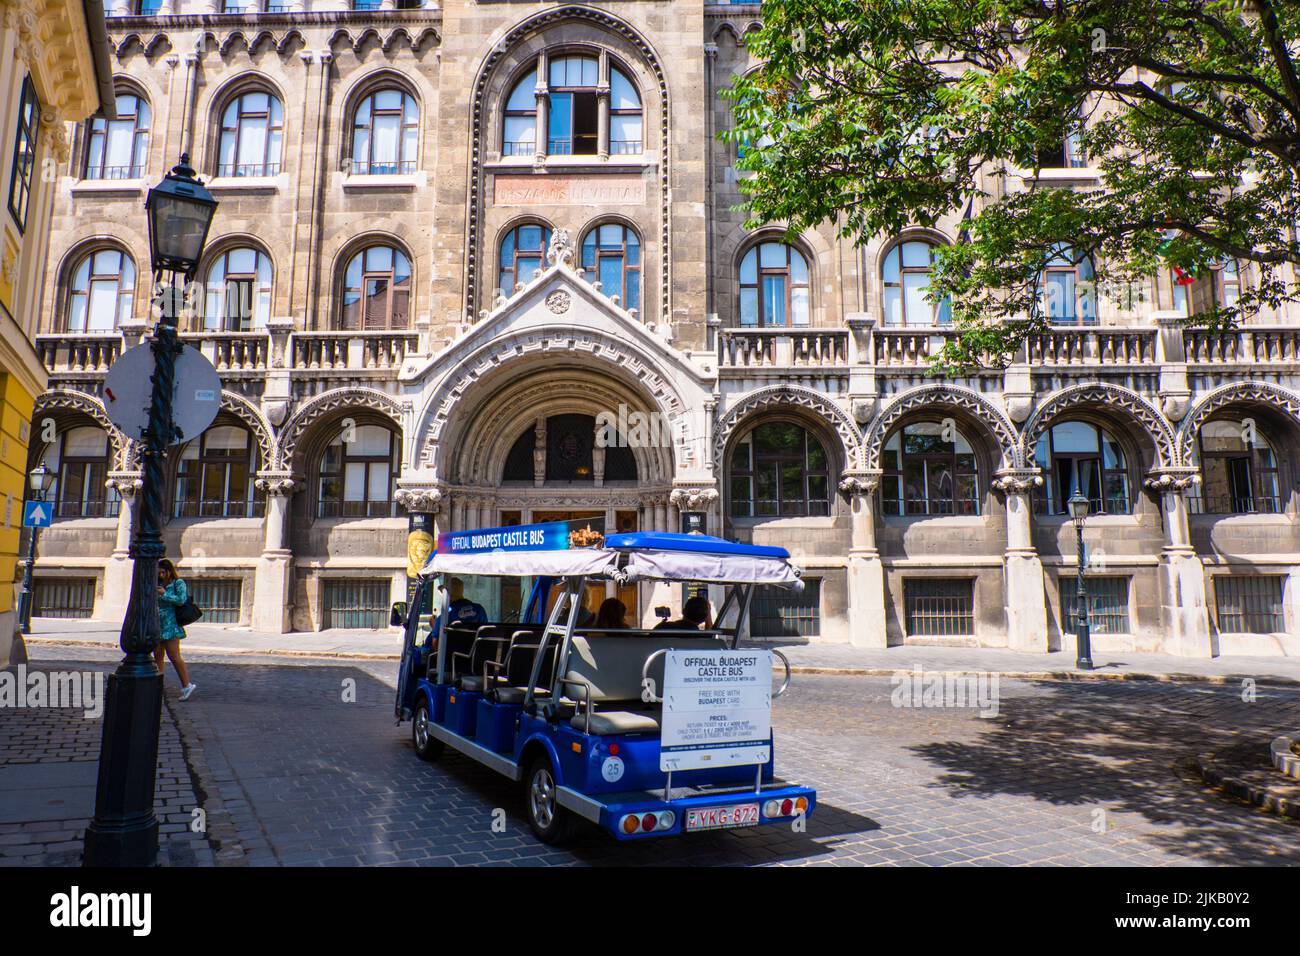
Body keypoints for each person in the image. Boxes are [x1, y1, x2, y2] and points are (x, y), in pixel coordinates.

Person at [155, 559, 196, 701]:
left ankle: (187, 685)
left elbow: (181, 600)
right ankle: (156, 686)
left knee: (174, 656)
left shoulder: (178, 583)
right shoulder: (157, 583)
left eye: (163, 572)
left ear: (169, 571)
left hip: (171, 624)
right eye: (158, 572)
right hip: (158, 624)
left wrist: (164, 594)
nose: (161, 575)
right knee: (157, 656)